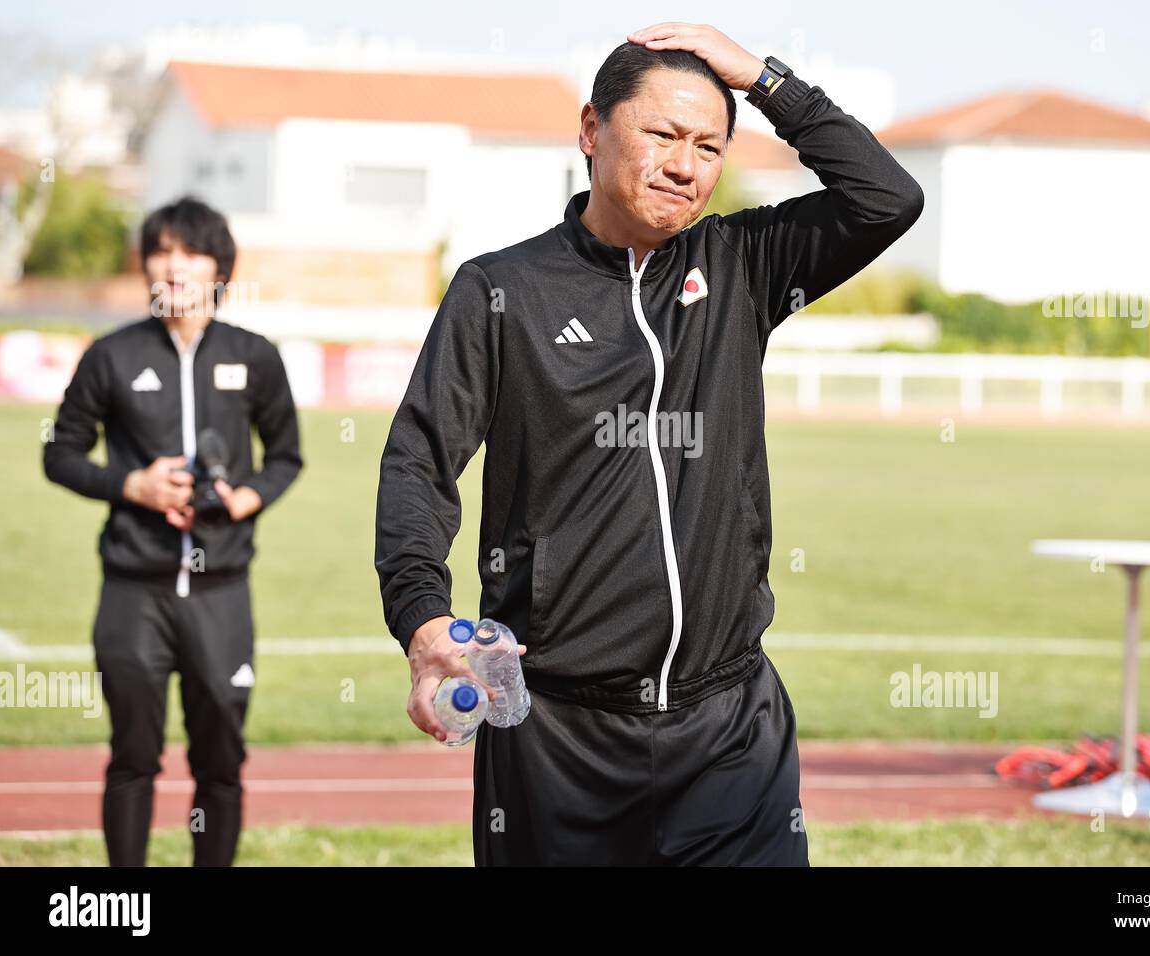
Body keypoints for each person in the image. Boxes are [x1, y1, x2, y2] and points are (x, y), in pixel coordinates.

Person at [375, 22, 923, 865]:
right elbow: (419, 460)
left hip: (731, 727)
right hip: (560, 737)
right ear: (592, 130)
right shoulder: (501, 290)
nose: (684, 164)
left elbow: (887, 198)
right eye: (662, 134)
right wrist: (421, 619)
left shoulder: (745, 264)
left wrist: (766, 80)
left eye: (708, 145)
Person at [44, 196, 304, 866]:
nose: (172, 265)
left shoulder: (254, 356)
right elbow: (61, 453)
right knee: (132, 755)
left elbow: (285, 456)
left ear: (218, 265)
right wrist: (131, 485)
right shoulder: (111, 355)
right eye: (159, 251)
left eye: (188, 252)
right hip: (135, 590)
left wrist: (246, 498)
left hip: (223, 593)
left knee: (219, 760)